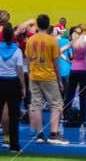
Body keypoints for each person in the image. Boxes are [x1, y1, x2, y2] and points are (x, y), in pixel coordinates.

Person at [24, 14, 67, 145]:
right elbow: (56, 62)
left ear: (37, 24)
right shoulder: (52, 40)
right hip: (48, 75)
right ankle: (53, 134)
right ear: (48, 25)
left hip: (34, 75)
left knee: (36, 104)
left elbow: (28, 59)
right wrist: (59, 80)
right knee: (55, 104)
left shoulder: (31, 40)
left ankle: (40, 134)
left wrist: (31, 72)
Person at [0, 22, 26, 152]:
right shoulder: (17, 50)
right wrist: (23, 86)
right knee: (14, 116)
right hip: (13, 83)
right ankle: (14, 146)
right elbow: (19, 70)